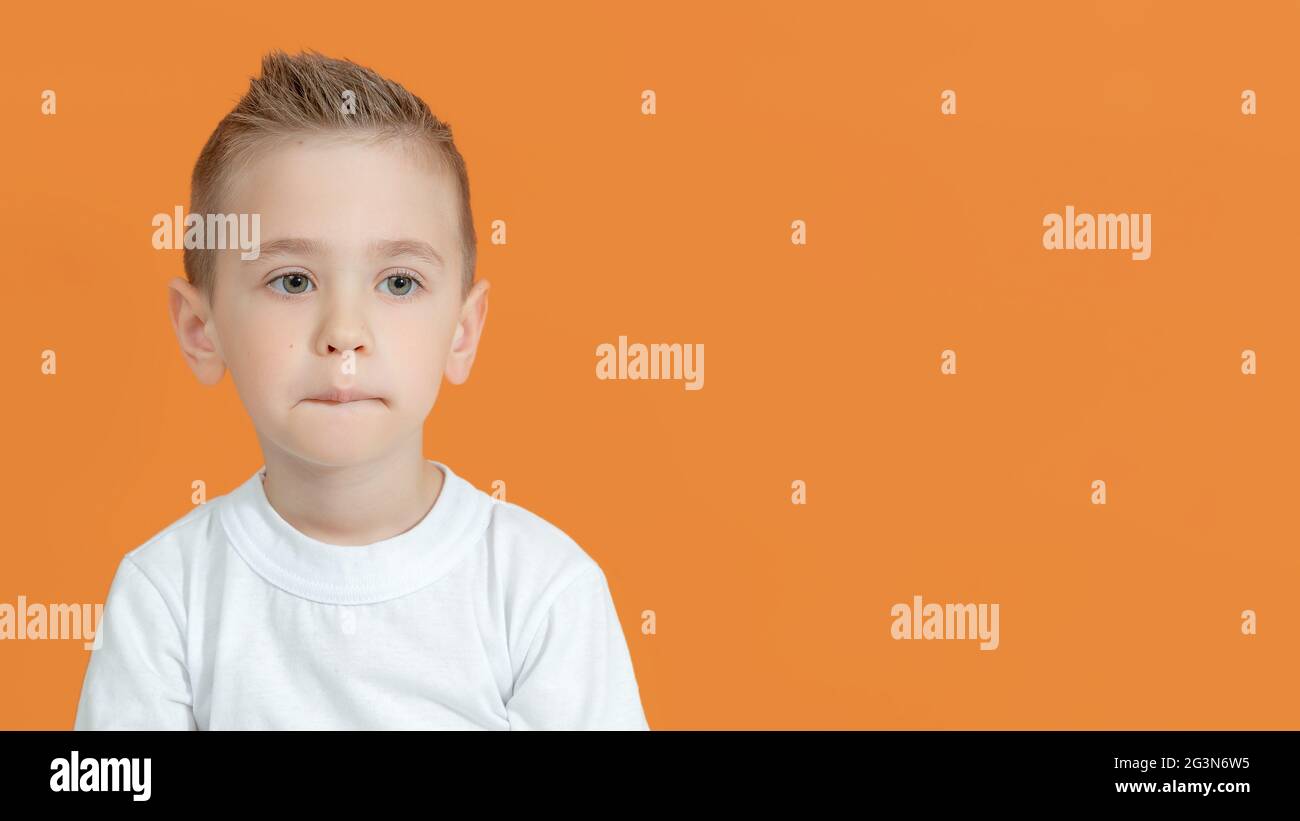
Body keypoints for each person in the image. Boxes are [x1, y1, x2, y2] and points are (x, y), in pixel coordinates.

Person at [73, 50, 649, 730]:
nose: (344, 332)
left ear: (462, 332)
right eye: (292, 280)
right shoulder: (167, 596)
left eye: (399, 282)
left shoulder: (543, 593)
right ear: (202, 330)